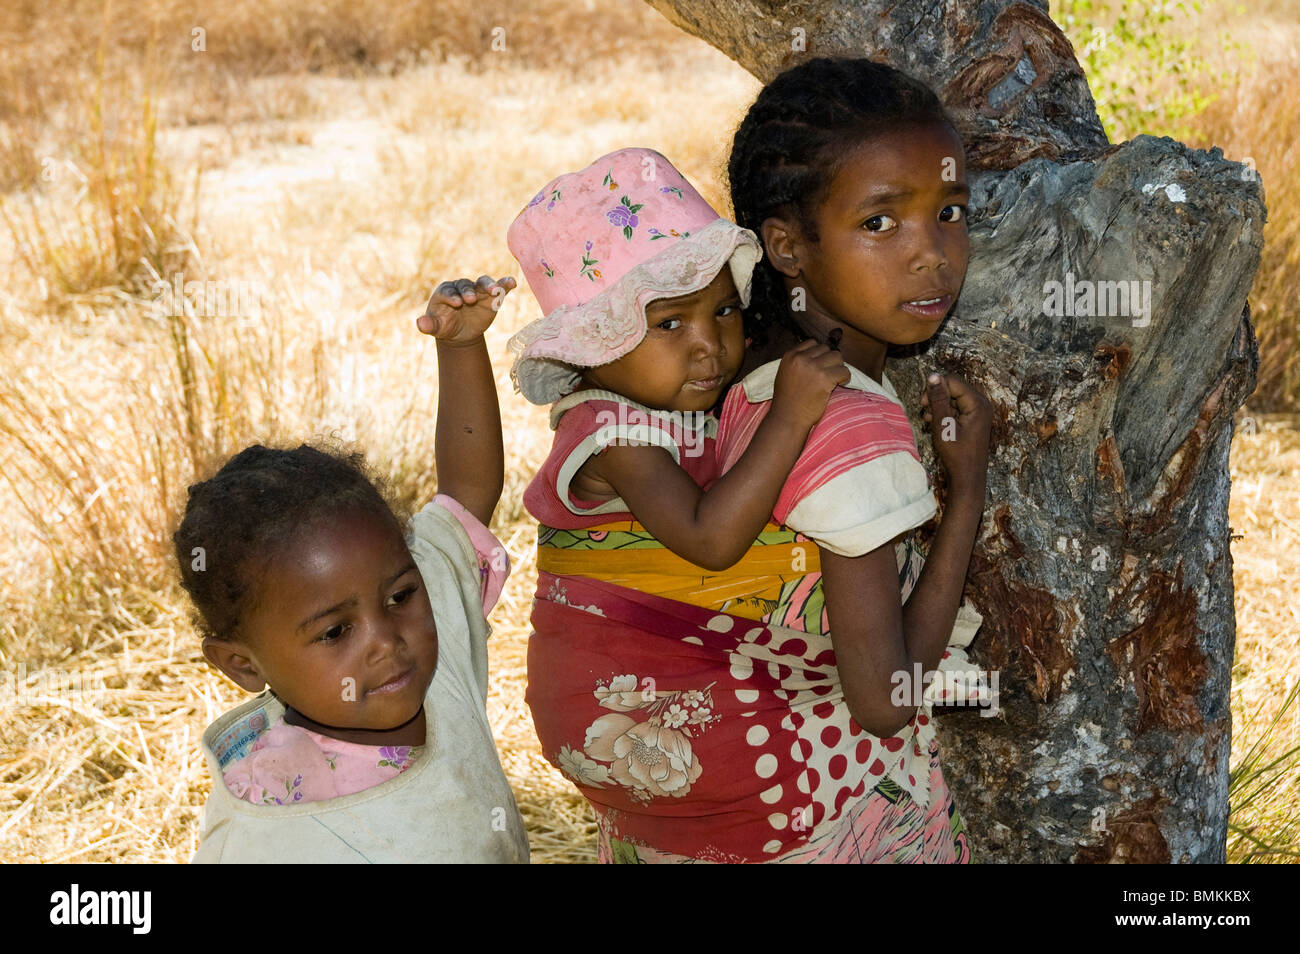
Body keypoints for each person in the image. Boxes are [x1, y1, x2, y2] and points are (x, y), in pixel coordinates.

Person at [524, 60, 992, 863]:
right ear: (783, 245)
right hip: (804, 821)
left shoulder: (719, 379)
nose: (932, 256)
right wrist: (968, 487)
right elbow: (884, 699)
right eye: (881, 223)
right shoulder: (841, 421)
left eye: (949, 212)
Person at [179, 276, 529, 863]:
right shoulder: (269, 836)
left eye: (399, 596)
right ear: (242, 662)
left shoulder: (430, 651)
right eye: (335, 631)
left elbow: (466, 492)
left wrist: (462, 347)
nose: (388, 639)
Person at [506, 146, 848, 574]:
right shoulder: (613, 437)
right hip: (625, 640)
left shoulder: (663, 398)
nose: (711, 345)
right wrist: (790, 416)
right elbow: (710, 541)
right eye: (669, 324)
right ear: (592, 345)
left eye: (724, 311)